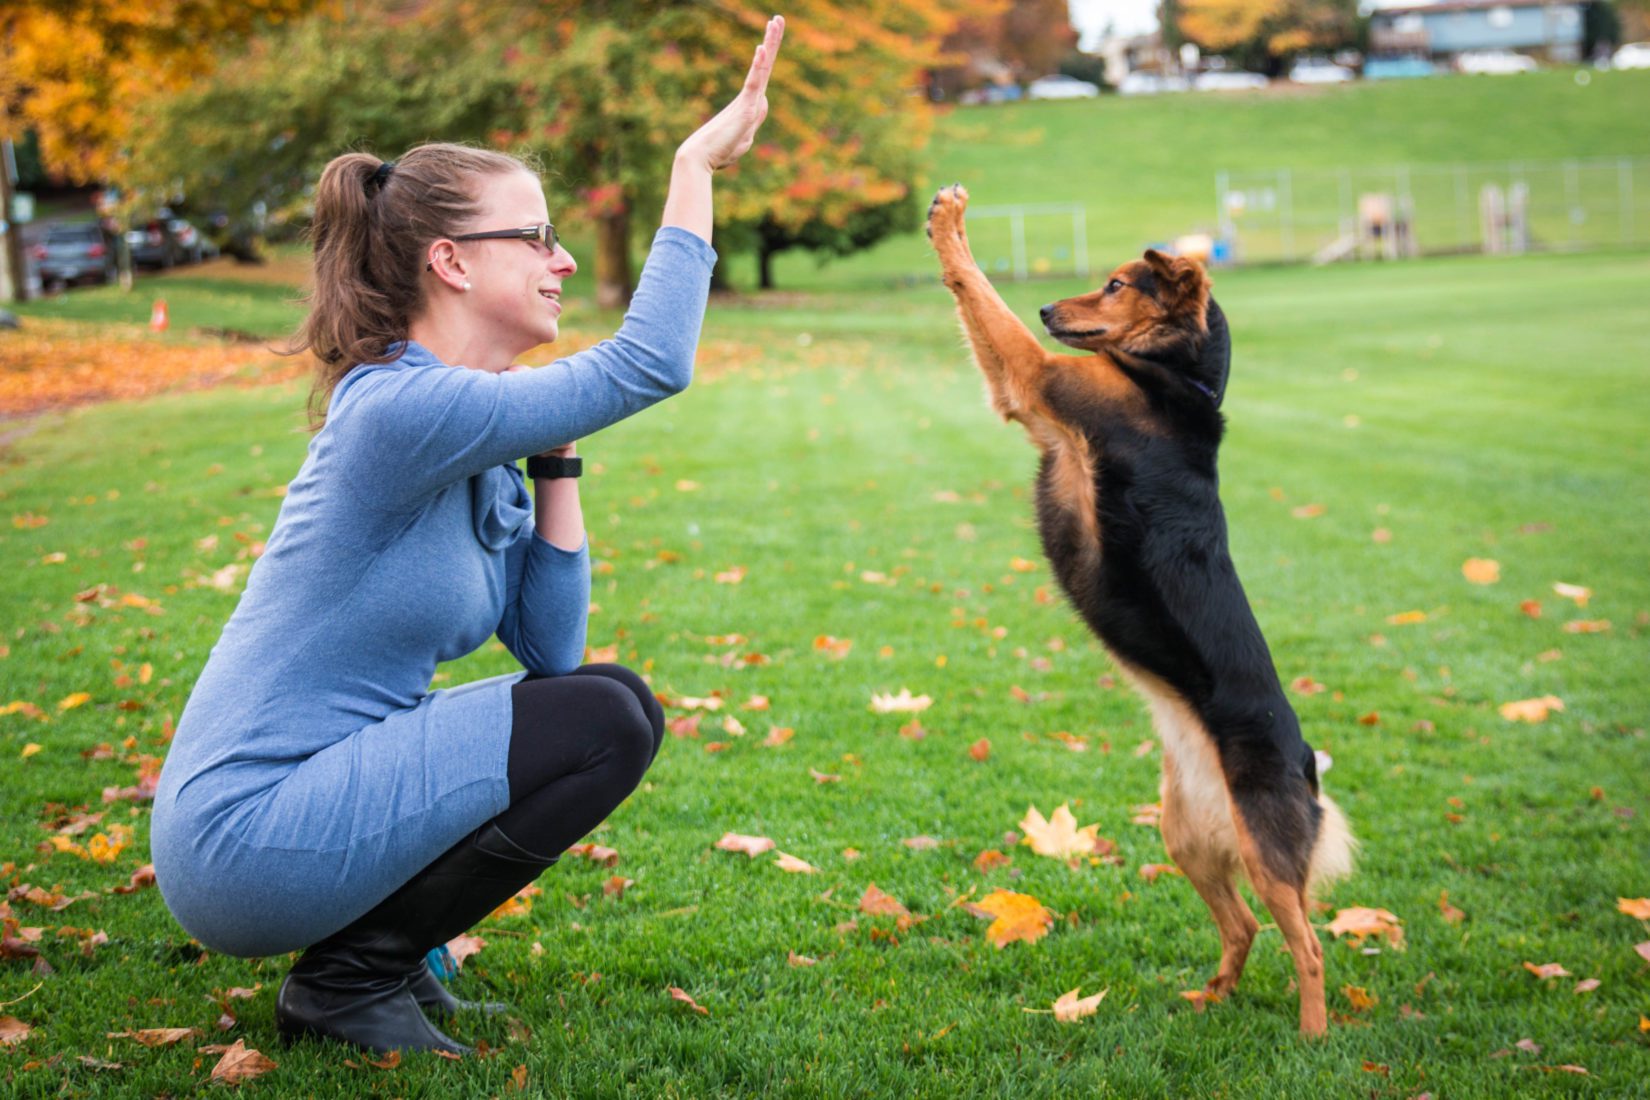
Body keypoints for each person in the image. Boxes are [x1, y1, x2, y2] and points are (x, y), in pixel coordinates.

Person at [149, 16, 785, 1057]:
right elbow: (653, 362)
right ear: (448, 259)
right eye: (533, 236)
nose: (564, 258)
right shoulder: (396, 409)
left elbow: (551, 652)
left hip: (322, 801)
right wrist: (693, 164)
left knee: (612, 699)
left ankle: (375, 956)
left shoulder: (476, 428)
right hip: (247, 834)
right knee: (606, 717)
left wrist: (559, 460)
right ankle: (350, 977)